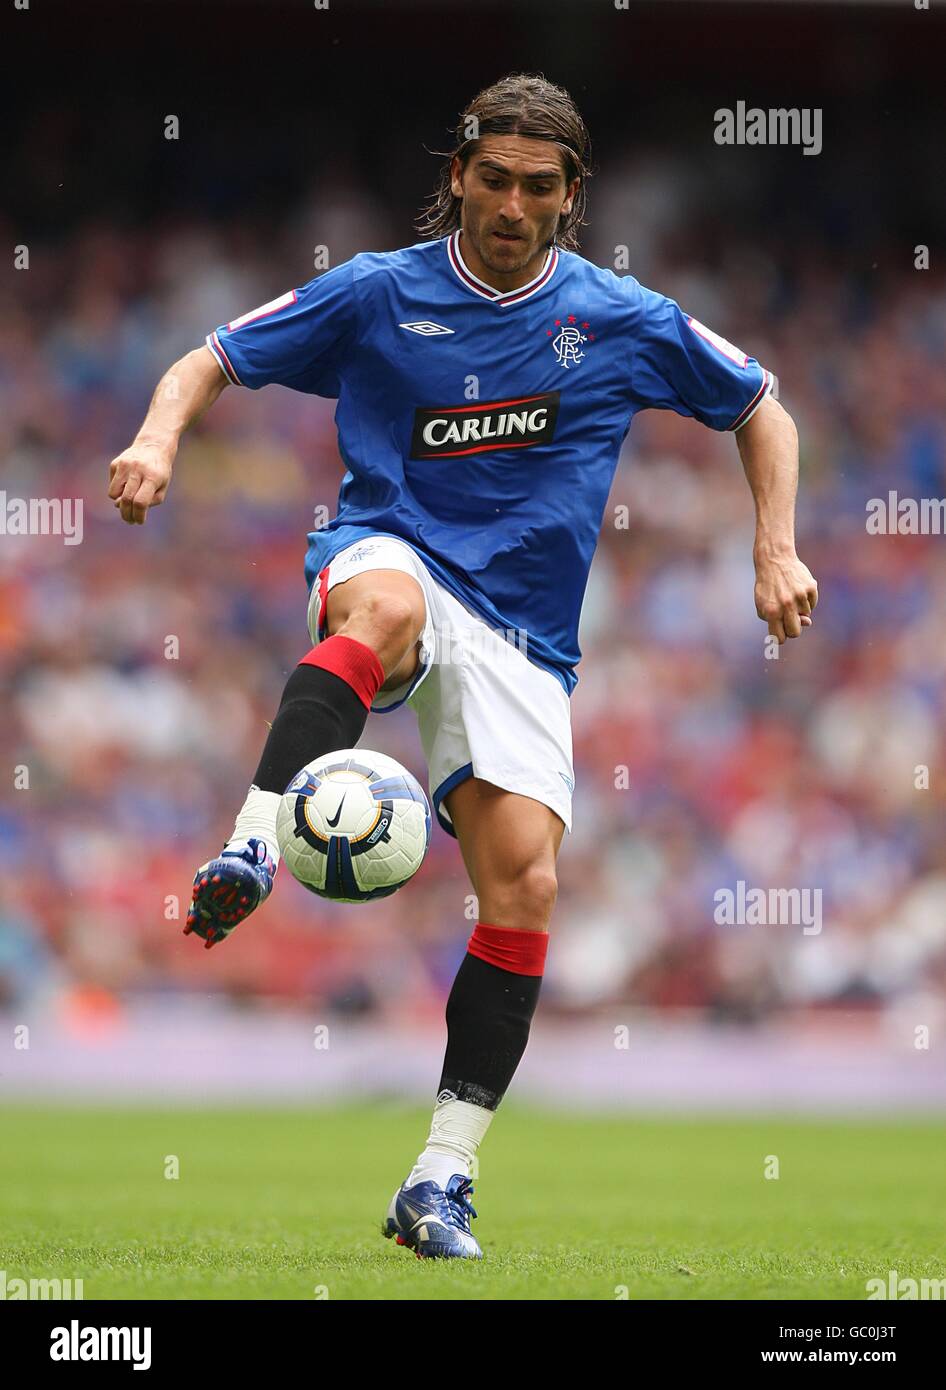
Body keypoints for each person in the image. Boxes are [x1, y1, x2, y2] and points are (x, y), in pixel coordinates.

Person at [108, 73, 818, 1259]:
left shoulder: (620, 316)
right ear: (458, 176)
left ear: (570, 197)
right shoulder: (381, 290)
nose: (509, 202)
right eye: (490, 178)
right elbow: (208, 359)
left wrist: (775, 545)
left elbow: (763, 408)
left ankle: (438, 1177)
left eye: (537, 187)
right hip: (390, 550)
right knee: (382, 604)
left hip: (524, 635)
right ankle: (250, 834)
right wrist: (153, 435)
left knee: (526, 887)